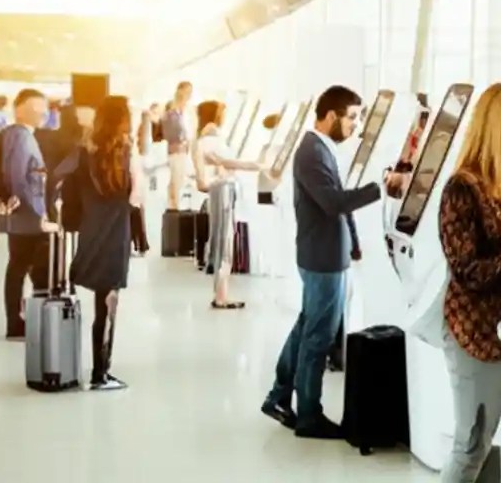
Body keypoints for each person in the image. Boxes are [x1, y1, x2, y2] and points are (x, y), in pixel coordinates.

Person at [261, 85, 381, 439]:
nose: (355, 125)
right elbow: (333, 203)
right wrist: (381, 188)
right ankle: (309, 415)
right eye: (352, 118)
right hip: (322, 258)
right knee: (318, 336)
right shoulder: (313, 152)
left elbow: (335, 203)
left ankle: (278, 396)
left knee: (306, 326)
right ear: (331, 116)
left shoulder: (320, 148)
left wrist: (354, 243)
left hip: (326, 253)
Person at [437, 83, 501, 483]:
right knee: (471, 446)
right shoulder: (463, 189)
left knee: (486, 442)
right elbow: (469, 271)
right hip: (473, 334)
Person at [56, 96, 142, 391]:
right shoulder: (127, 153)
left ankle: (96, 369)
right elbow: (136, 198)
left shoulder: (82, 153)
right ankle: (100, 373)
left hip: (91, 233)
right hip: (116, 233)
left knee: (99, 300)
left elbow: (62, 185)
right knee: (108, 303)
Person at [194, 100, 261, 308]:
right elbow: (224, 164)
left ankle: (221, 294)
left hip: (221, 191)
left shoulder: (204, 139)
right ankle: (221, 297)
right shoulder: (210, 139)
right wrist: (254, 166)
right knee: (225, 244)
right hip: (222, 191)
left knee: (224, 242)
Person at [2, 89, 55, 340]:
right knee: (23, 267)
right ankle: (18, 321)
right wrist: (38, 215)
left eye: (43, 107)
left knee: (20, 267)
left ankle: (21, 319)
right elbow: (18, 177)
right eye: (36, 107)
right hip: (28, 218)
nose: (42, 112)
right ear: (20, 108)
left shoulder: (22, 136)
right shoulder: (21, 137)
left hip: (25, 215)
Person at [163, 82, 193, 209]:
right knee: (174, 187)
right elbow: (171, 136)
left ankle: (174, 209)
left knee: (178, 186)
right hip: (175, 154)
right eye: (187, 92)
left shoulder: (183, 114)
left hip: (181, 153)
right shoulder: (171, 114)